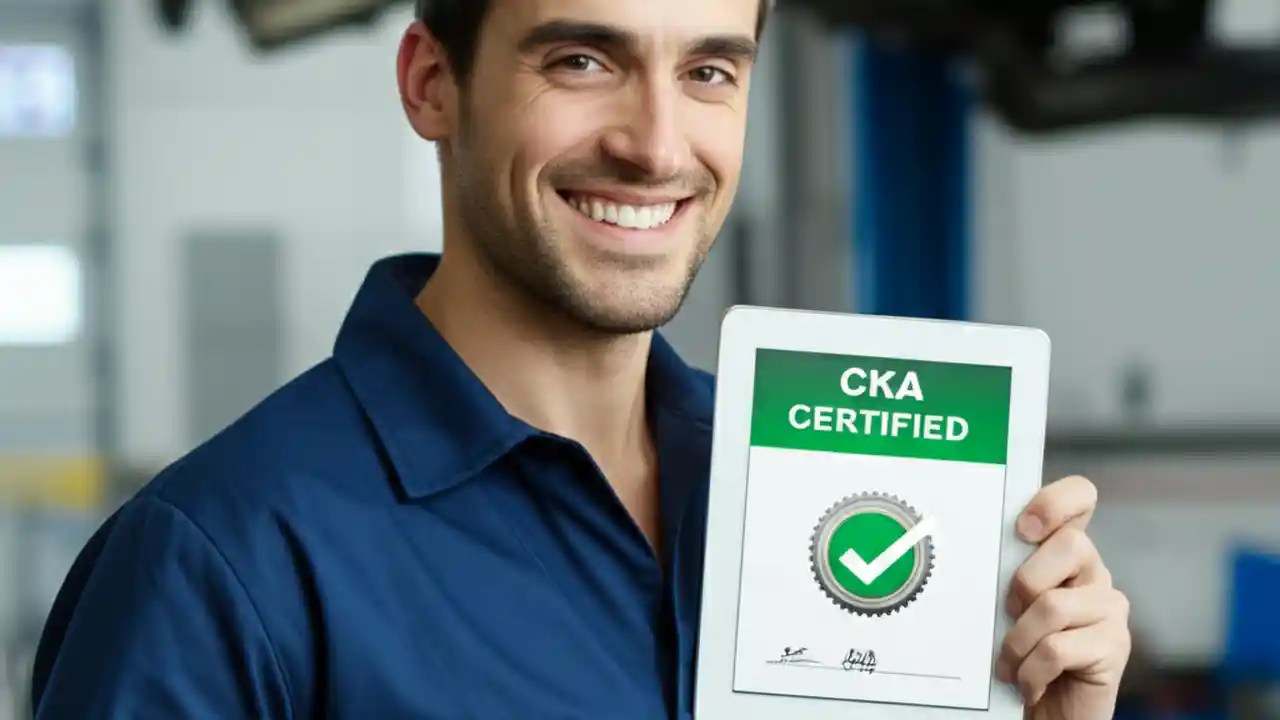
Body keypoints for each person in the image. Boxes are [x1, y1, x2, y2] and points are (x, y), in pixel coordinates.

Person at [30, 0, 1131, 717]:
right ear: (431, 83)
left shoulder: (811, 488)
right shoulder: (221, 563)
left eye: (709, 72)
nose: (655, 145)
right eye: (582, 59)